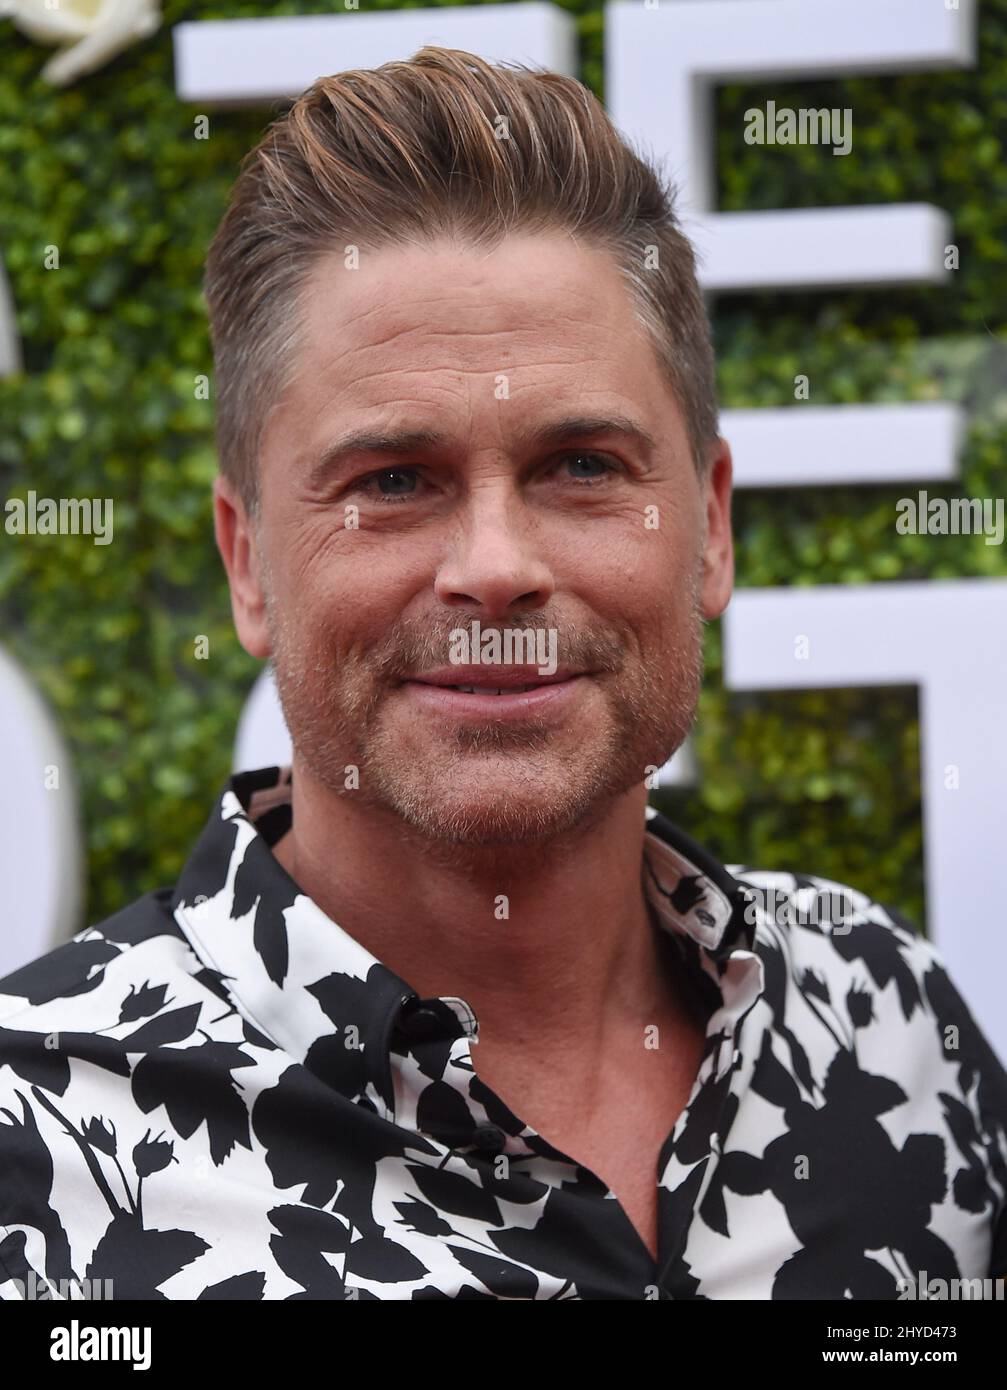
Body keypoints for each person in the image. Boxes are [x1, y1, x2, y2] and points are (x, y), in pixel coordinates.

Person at [1, 46, 1004, 1302]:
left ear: (710, 526)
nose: (494, 567)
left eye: (581, 465)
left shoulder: (884, 1014)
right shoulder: (33, 1143)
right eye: (394, 481)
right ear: (247, 563)